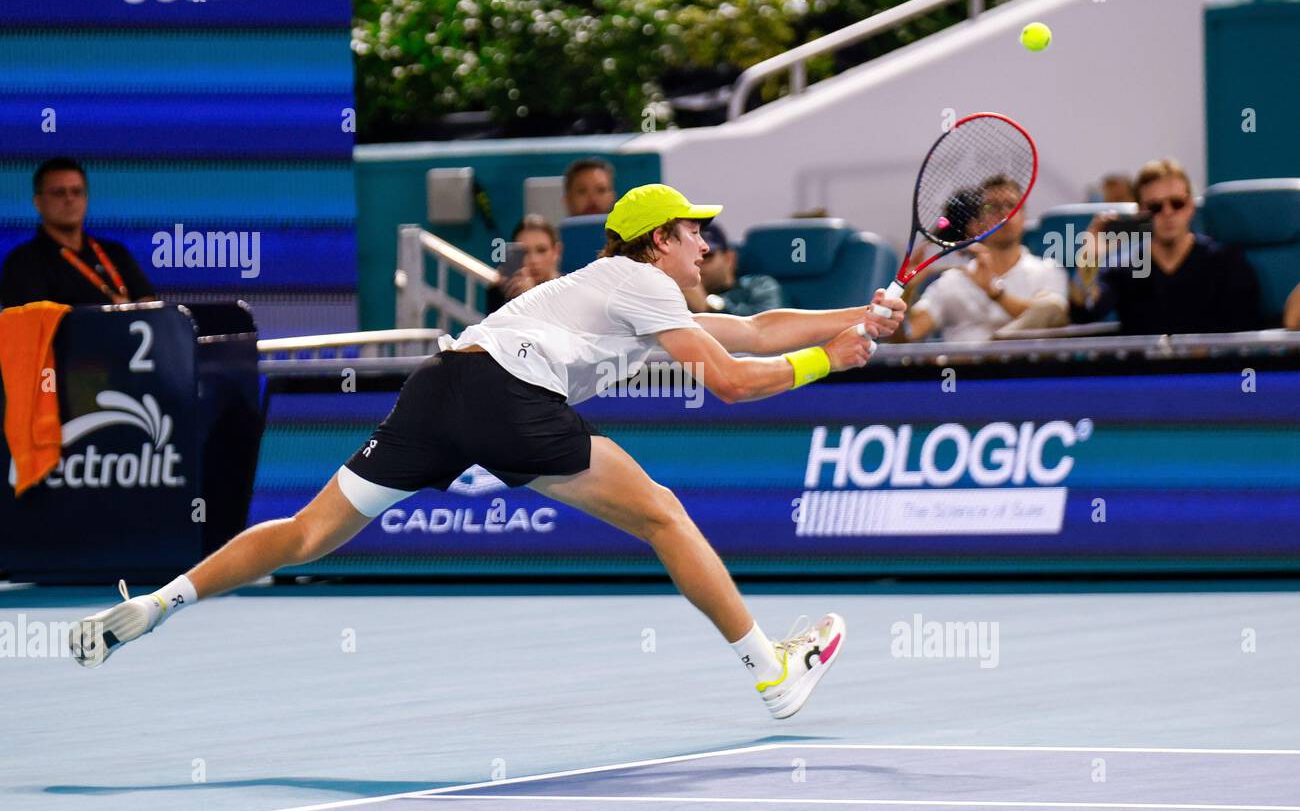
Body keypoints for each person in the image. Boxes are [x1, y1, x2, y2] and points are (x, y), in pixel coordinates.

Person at [68, 184, 906, 721]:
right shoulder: (645, 284)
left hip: (442, 388)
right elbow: (730, 380)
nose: (706, 246)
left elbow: (752, 329)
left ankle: (164, 601)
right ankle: (771, 672)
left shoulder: (620, 290)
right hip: (512, 393)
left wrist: (856, 317)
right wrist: (827, 362)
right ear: (658, 241)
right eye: (694, 232)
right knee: (663, 516)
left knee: (305, 534)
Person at [1071, 159, 1262, 335]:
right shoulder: (1124, 268)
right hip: (1145, 362)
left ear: (1190, 207)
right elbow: (1085, 312)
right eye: (1155, 207)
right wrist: (1089, 258)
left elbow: (1244, 326)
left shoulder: (1226, 262)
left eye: (1177, 203)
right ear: (1141, 213)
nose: (1168, 212)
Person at [901, 175, 1068, 342]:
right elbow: (906, 336)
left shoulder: (1048, 271)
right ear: (977, 224)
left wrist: (995, 293)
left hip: (1022, 358)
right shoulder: (953, 280)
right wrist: (906, 290)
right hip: (962, 360)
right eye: (992, 207)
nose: (1004, 213)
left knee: (1052, 305)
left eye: (1011, 205)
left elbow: (1053, 317)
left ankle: (992, 349)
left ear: (1024, 217)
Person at [0, 158, 155, 308]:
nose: (69, 199)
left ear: (85, 199)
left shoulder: (115, 252)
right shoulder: (23, 262)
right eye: (59, 192)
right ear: (38, 202)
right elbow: (32, 321)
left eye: (76, 191)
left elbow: (149, 304)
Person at [681, 222, 785, 316]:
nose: (698, 261)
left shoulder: (759, 287)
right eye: (690, 256)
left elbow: (767, 325)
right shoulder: (679, 297)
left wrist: (708, 305)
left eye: (706, 256)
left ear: (729, 258)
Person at [486, 215, 563, 312]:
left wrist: (530, 296)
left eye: (541, 250)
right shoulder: (501, 292)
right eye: (524, 252)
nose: (533, 260)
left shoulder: (572, 288)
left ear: (556, 252)